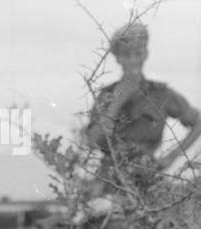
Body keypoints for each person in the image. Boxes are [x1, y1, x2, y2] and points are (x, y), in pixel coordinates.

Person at [85, 21, 200, 193]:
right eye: (126, 55)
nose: (132, 60)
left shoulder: (161, 93)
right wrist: (116, 102)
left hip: (147, 179)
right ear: (117, 58)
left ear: (146, 53)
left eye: (137, 53)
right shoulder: (106, 95)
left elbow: (197, 123)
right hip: (110, 179)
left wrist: (171, 157)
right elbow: (91, 141)